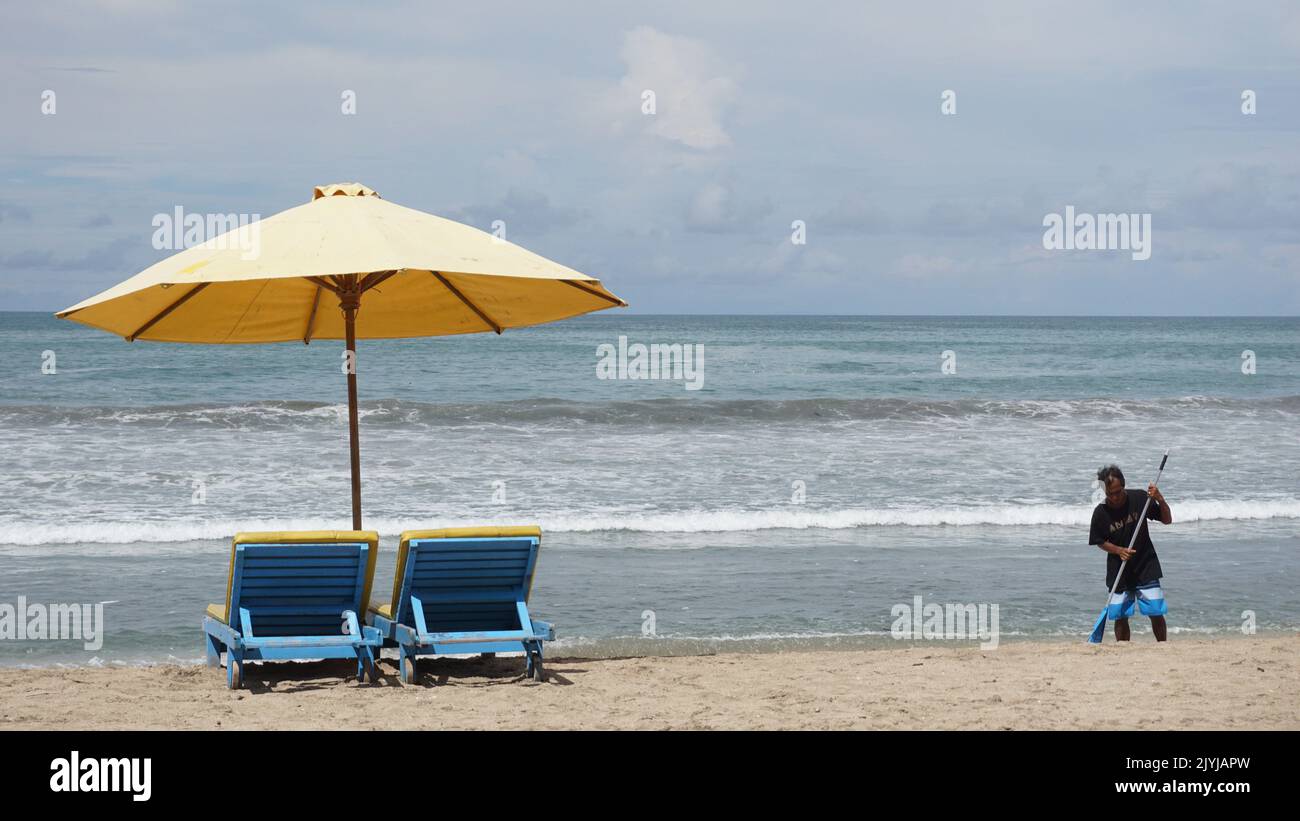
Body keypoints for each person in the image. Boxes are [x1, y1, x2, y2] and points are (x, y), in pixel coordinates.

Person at [1089, 464, 1173, 641]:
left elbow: (1167, 520)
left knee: (1156, 612)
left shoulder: (1141, 499)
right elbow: (1098, 541)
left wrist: (1160, 499)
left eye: (1118, 492)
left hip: (1145, 564)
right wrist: (1118, 550)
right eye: (1110, 494)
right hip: (1119, 569)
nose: (1115, 497)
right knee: (1120, 616)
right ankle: (1123, 649)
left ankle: (1163, 647)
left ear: (1124, 485)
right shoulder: (1101, 512)